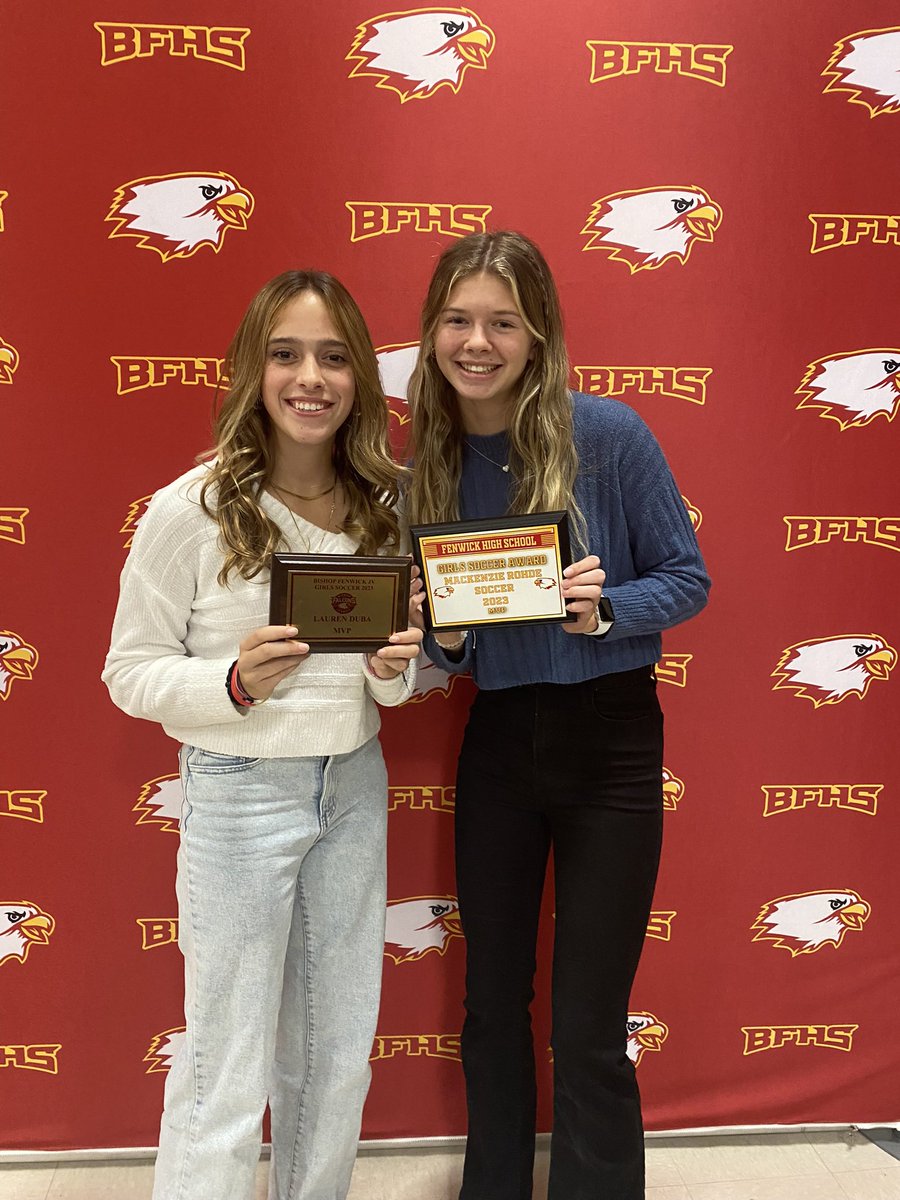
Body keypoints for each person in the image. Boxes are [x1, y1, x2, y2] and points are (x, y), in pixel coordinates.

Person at [103, 270, 423, 1200]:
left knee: (336, 1052)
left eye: (333, 357)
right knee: (226, 1063)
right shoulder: (191, 511)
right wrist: (232, 682)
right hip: (239, 793)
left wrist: (393, 668)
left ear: (360, 377)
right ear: (253, 368)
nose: (310, 378)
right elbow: (129, 671)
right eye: (286, 354)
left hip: (352, 787)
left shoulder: (388, 505)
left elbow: (399, 680)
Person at [406, 231, 710, 1200]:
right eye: (459, 321)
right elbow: (447, 646)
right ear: (432, 332)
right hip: (499, 741)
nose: (478, 343)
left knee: (587, 1025)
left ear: (538, 334)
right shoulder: (429, 460)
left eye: (503, 322)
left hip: (611, 739)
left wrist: (608, 606)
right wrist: (445, 633)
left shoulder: (608, 435)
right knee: (492, 1007)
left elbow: (689, 578)